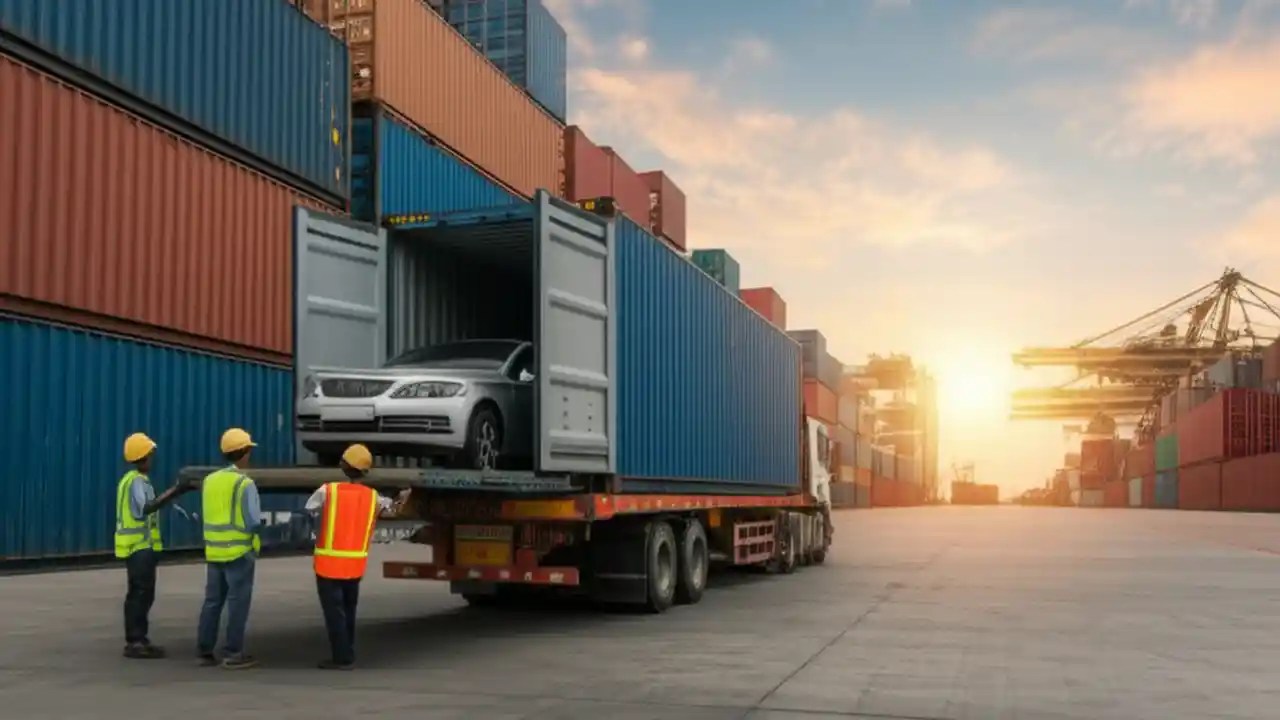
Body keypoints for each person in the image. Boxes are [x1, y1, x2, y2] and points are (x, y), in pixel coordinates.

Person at [306, 444, 393, 670]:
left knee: (334, 613)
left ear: (343, 466)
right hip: (354, 566)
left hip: (328, 565)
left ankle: (342, 657)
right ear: (365, 471)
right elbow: (392, 508)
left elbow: (310, 508)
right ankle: (348, 650)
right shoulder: (373, 497)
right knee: (349, 610)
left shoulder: (328, 491)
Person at [116, 432, 192, 659]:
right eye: (150, 454)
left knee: (139, 594)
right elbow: (145, 508)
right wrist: (175, 491)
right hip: (140, 547)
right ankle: (135, 641)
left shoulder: (129, 481)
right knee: (141, 594)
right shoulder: (137, 482)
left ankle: (138, 639)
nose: (152, 458)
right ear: (144, 456)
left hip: (136, 547)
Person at [196, 428, 263, 669]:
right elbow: (254, 520)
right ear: (244, 454)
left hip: (214, 551)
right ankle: (233, 652)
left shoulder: (209, 481)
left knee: (212, 601)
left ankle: (204, 651)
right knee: (237, 603)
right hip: (238, 552)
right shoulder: (245, 483)